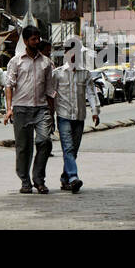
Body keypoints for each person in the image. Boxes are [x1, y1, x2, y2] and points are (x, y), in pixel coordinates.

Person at [5, 28, 57, 194]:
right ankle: (25, 181)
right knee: (23, 148)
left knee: (45, 142)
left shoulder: (46, 63)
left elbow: (50, 90)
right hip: (21, 109)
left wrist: (52, 113)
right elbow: (9, 85)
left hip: (42, 109)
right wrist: (9, 109)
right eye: (33, 39)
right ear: (26, 41)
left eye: (38, 39)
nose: (36, 42)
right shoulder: (16, 61)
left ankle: (39, 179)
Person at [53, 41, 100, 193]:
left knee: (73, 151)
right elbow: (51, 95)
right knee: (68, 148)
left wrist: (95, 111)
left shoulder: (85, 73)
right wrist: (49, 115)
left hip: (79, 116)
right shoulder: (58, 73)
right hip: (63, 115)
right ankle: (73, 178)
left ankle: (65, 178)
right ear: (66, 53)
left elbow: (91, 93)